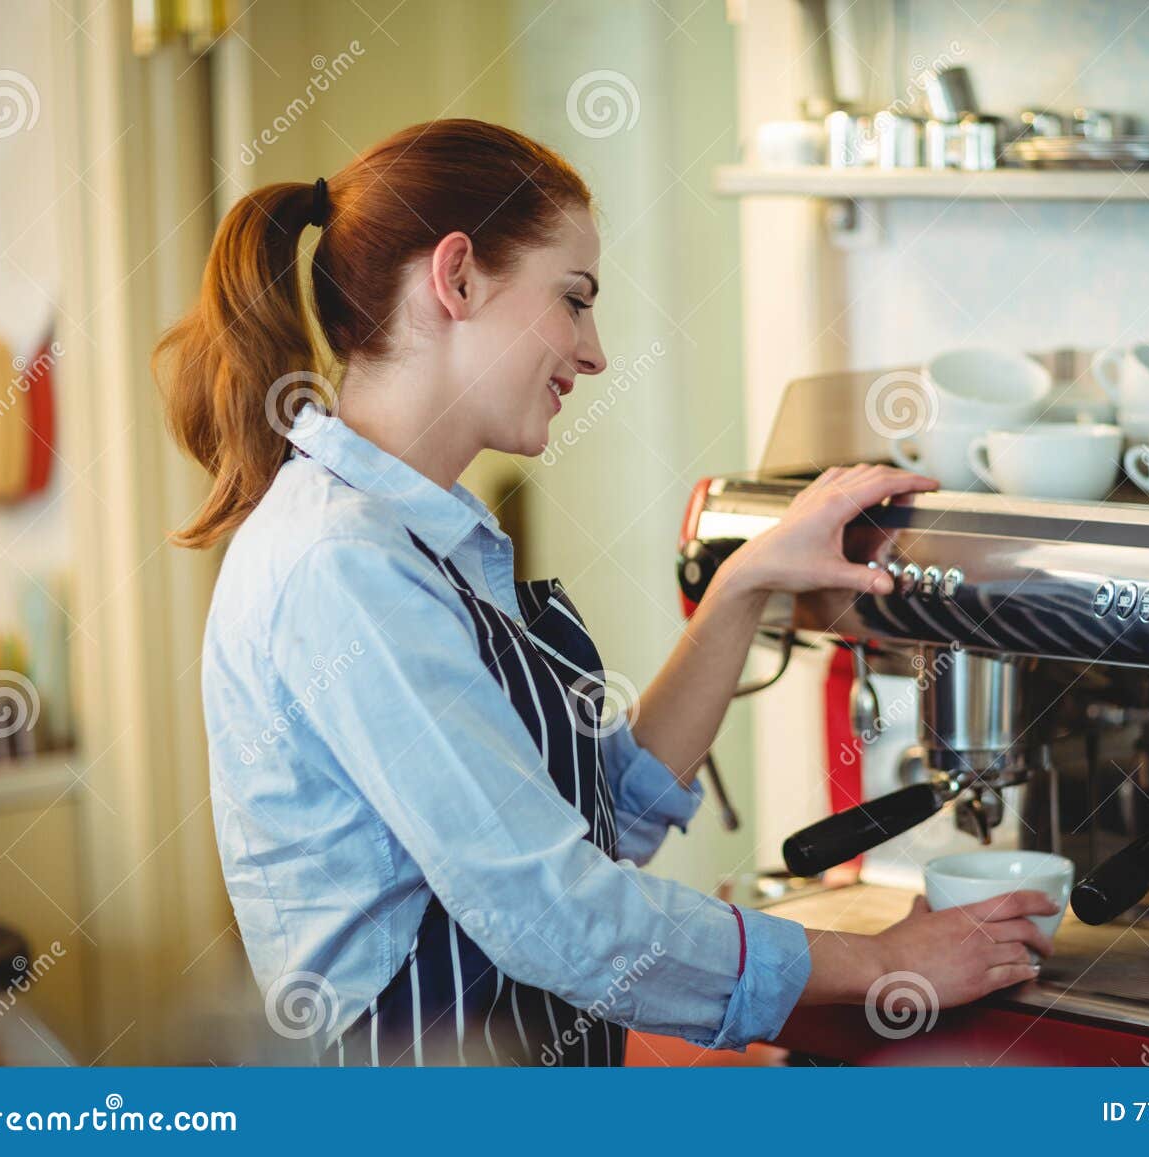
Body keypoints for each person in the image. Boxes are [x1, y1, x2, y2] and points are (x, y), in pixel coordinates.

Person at [156, 119, 1056, 1067]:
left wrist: (745, 582)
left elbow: (597, 820)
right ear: (456, 278)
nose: (594, 353)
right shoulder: (345, 564)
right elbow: (556, 913)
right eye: (574, 300)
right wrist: (880, 960)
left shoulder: (423, 536)